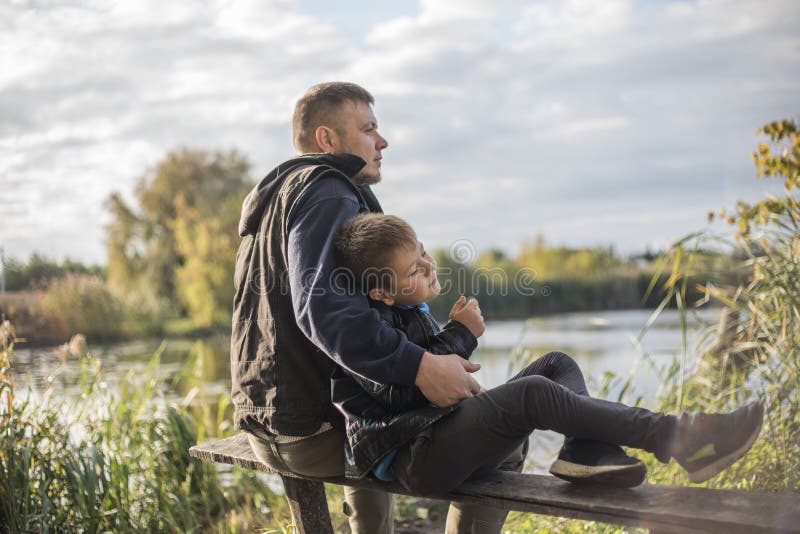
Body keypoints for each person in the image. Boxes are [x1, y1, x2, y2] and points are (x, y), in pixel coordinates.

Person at [331, 212, 765, 509]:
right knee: (533, 393)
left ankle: (586, 450)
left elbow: (430, 376)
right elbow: (403, 391)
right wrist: (461, 335)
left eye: (423, 253)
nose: (428, 266)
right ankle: (681, 437)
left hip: (443, 440)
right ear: (381, 292)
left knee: (555, 364)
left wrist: (450, 337)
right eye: (413, 271)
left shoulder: (408, 310)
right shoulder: (363, 334)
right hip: (416, 461)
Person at [231, 82, 498, 534]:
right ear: (326, 140)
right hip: (310, 432)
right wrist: (420, 366)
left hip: (267, 422)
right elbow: (323, 309)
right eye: (369, 129)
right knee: (498, 438)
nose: (383, 141)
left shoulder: (275, 200)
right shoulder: (328, 192)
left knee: (373, 401)